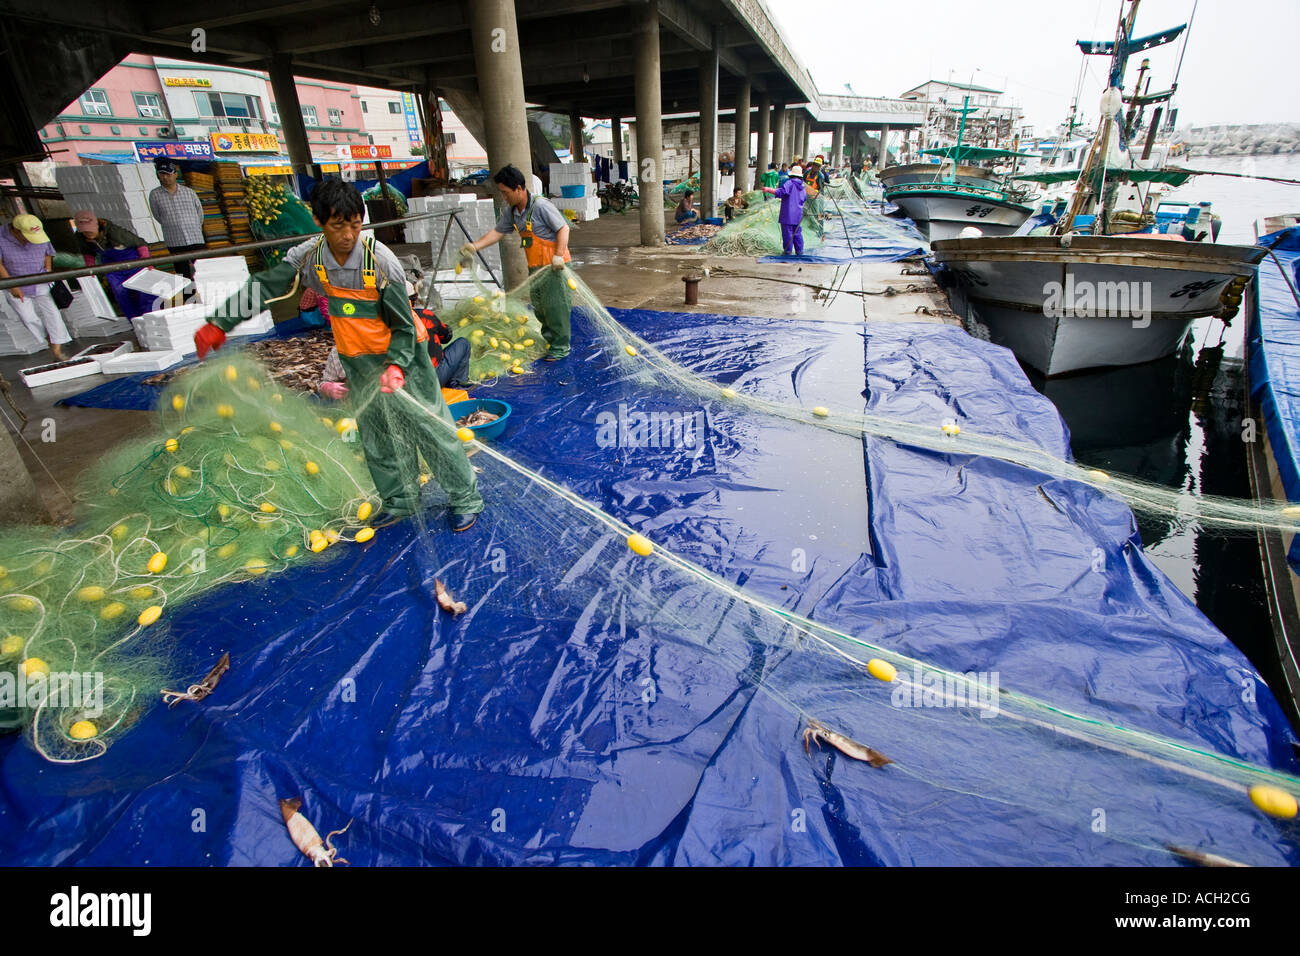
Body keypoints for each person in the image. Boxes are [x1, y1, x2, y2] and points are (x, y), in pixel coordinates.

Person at [192, 178, 484, 532]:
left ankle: (465, 498)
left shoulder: (381, 261)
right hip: (357, 361)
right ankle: (401, 499)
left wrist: (396, 364)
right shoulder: (310, 256)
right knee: (379, 436)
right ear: (319, 221)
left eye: (355, 224)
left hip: (404, 356)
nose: (348, 234)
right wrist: (220, 322)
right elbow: (267, 283)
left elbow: (405, 326)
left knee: (429, 428)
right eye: (338, 225)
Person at [459, 164, 573, 361]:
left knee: (556, 308)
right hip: (536, 267)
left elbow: (563, 228)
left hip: (554, 266)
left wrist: (559, 254)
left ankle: (560, 347)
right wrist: (474, 246)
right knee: (540, 306)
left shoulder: (541, 206)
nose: (504, 197)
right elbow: (498, 232)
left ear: (519, 189)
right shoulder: (512, 212)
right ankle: (549, 340)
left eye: (506, 192)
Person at [0, 214, 71, 359]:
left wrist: (48, 272)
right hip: (15, 281)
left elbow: (48, 253)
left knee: (53, 314)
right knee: (28, 317)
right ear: (16, 231)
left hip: (41, 278)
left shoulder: (39, 232)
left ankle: (57, 351)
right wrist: (12, 285)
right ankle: (49, 340)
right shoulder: (1, 237)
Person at [71, 210, 152, 319]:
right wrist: (90, 269)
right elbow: (88, 253)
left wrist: (146, 263)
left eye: (90, 231)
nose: (88, 234)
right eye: (85, 232)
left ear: (97, 226)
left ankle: (150, 319)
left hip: (133, 262)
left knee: (144, 292)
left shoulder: (115, 232)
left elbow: (140, 243)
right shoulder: (80, 238)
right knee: (121, 294)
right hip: (111, 265)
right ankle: (136, 322)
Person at [147, 159, 205, 279]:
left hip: (195, 237)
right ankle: (188, 297)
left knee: (202, 269)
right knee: (182, 273)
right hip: (174, 240)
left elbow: (200, 213)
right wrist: (173, 225)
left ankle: (208, 295)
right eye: (162, 174)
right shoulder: (154, 194)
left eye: (168, 174)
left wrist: (194, 226)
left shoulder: (189, 192)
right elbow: (157, 215)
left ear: (175, 174)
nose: (165, 177)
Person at [773, 164, 807, 256]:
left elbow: (782, 192)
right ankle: (799, 251)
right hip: (798, 215)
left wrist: (770, 190)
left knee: (787, 233)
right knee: (797, 233)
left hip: (787, 214)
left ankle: (788, 251)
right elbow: (804, 198)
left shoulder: (790, 183)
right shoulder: (802, 186)